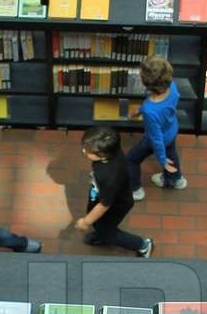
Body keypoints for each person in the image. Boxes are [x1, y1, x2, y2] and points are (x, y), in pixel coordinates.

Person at [76, 127, 152, 258]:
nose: (83, 150)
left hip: (115, 206)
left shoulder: (109, 176)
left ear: (103, 155)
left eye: (88, 151)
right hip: (106, 196)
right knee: (99, 224)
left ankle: (142, 245)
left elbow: (104, 205)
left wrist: (85, 222)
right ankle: (101, 234)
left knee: (107, 231)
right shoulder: (113, 152)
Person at [127, 56, 184, 199]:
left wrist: (162, 160)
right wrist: (139, 110)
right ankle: (176, 179)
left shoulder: (149, 110)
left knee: (131, 160)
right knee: (172, 153)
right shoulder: (172, 86)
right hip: (171, 129)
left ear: (147, 84)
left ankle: (135, 190)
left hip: (159, 138)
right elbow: (159, 105)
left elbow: (156, 139)